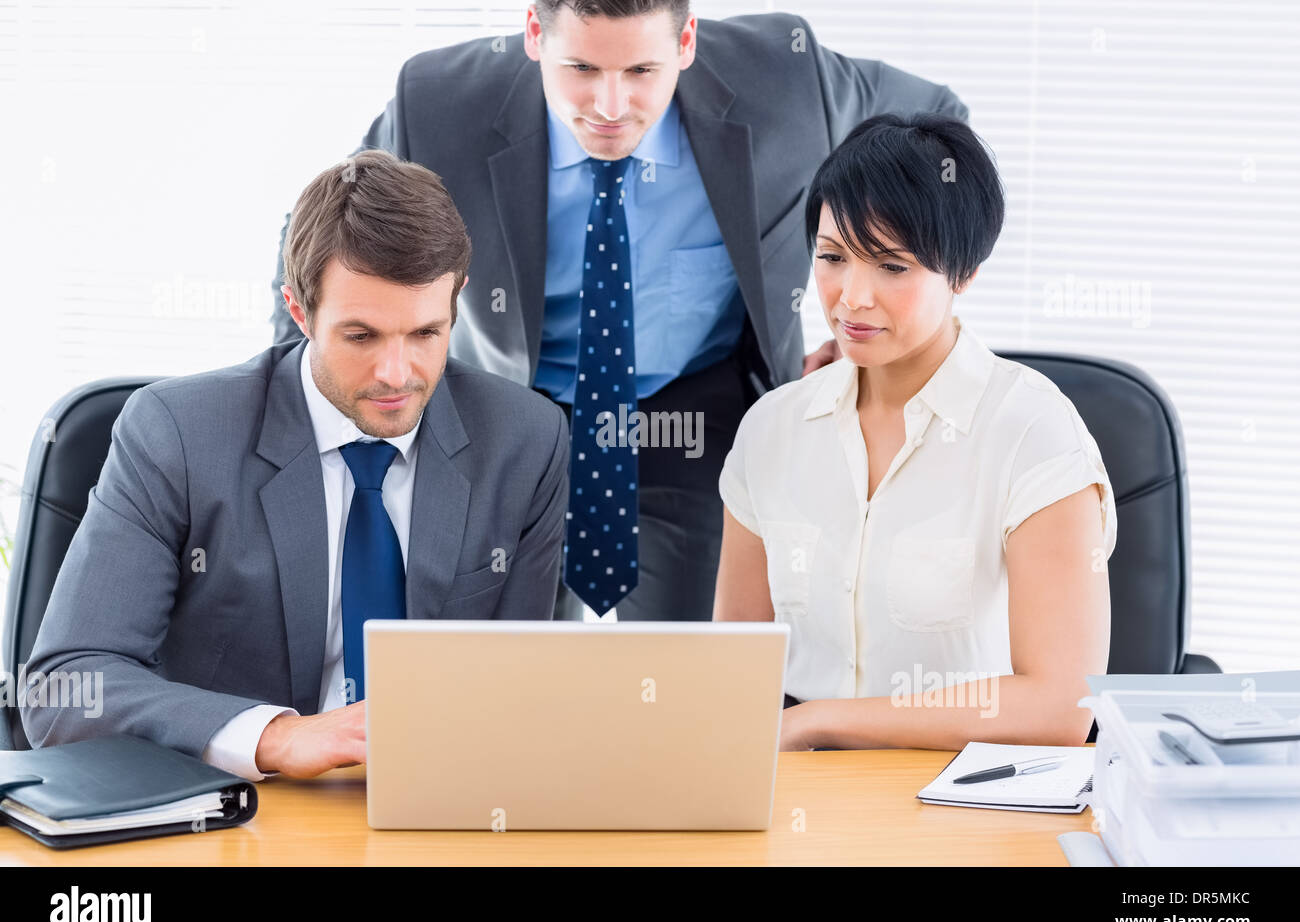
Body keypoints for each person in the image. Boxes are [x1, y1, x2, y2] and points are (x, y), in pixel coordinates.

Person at [267, 2, 969, 621]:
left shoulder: (785, 75)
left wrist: (887, 322)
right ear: (534, 35)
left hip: (692, 404)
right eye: (580, 68)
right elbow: (324, 230)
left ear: (686, 41)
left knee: (690, 680)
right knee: (491, 678)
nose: (609, 104)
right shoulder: (438, 102)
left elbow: (938, 134)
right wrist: (296, 410)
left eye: (640, 71)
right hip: (511, 406)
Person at [21, 150, 569, 779]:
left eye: (425, 334)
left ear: (457, 302)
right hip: (239, 812)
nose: (398, 375)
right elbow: (63, 686)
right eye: (361, 336)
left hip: (438, 804)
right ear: (300, 311)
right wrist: (276, 737)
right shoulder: (176, 433)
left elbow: (522, 685)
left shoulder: (525, 440)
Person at [714, 113, 1117, 751]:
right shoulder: (772, 429)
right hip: (797, 793)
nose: (852, 297)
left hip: (969, 793)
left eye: (892, 266)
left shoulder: (1032, 432)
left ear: (964, 273)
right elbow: (730, 671)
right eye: (833, 258)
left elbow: (1060, 704)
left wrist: (818, 721)